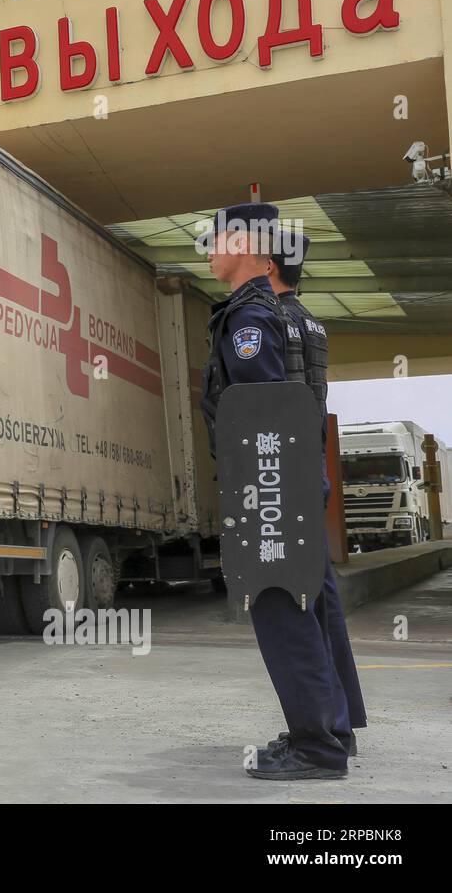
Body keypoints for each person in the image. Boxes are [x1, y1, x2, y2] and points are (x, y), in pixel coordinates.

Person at [199, 203, 351, 780]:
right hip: (290, 480)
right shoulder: (269, 310)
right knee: (310, 606)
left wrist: (259, 496)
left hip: (272, 484)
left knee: (282, 605)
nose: (210, 249)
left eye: (219, 239)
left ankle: (317, 747)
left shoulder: (250, 317)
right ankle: (328, 730)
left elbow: (264, 414)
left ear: (248, 247)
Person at [267, 231, 368, 753]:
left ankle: (323, 732)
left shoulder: (271, 322)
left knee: (294, 604)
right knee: (324, 603)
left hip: (287, 473)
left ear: (267, 266)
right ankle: (341, 724)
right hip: (313, 471)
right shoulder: (312, 323)